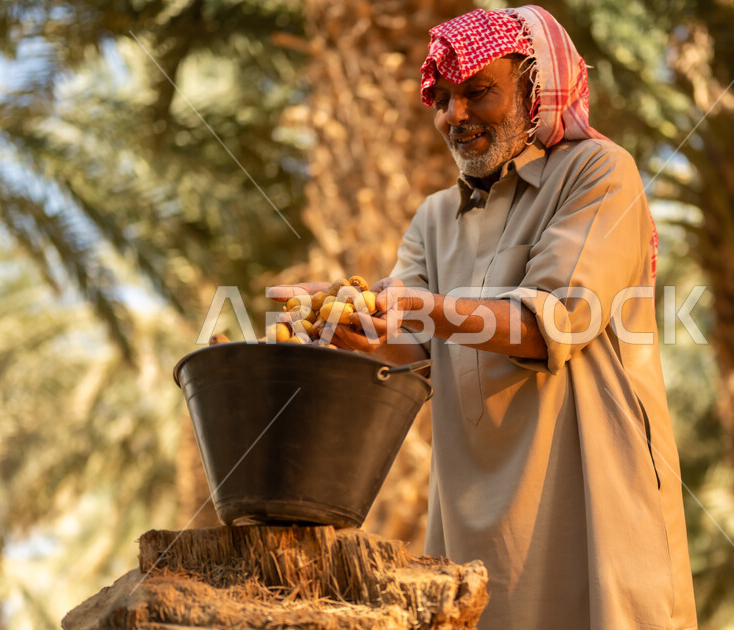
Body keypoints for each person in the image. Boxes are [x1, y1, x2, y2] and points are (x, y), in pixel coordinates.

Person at [273, 6, 696, 629]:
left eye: (477, 92)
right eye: (442, 99)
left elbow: (549, 323)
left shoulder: (599, 173)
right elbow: (412, 350)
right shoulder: (432, 218)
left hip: (594, 498)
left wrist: (415, 307)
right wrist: (354, 327)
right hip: (473, 521)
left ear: (536, 89)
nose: (455, 116)